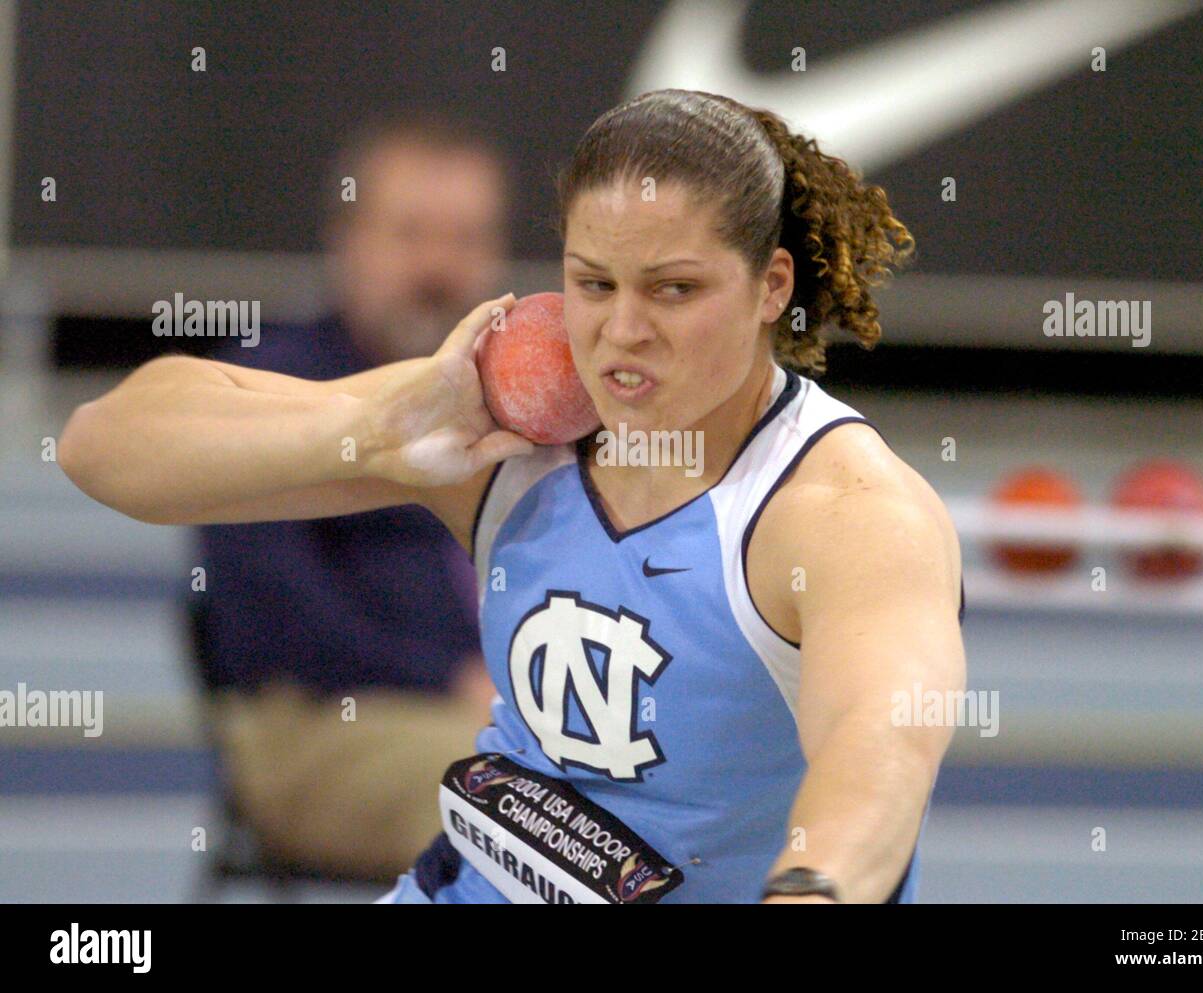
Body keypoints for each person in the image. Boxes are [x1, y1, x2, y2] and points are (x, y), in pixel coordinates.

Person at [58, 89, 966, 903]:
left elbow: (882, 744)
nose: (622, 332)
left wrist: (812, 889)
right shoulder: (509, 436)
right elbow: (106, 448)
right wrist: (380, 429)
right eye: (593, 284)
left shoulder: (842, 509)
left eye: (674, 289)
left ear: (773, 286)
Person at [191, 110, 511, 878]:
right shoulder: (272, 387)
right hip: (318, 723)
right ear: (347, 240)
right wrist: (448, 676)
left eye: (465, 239)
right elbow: (275, 618)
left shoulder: (526, 409)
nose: (438, 265)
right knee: (520, 802)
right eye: (410, 233)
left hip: (498, 712)